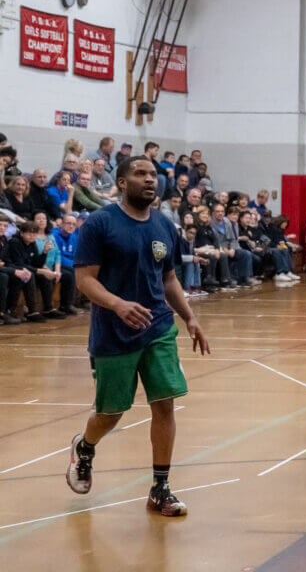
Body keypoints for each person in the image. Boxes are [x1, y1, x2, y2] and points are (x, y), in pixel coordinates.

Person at [64, 155, 211, 516]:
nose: (150, 180)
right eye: (140, 174)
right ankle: (85, 447)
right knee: (111, 413)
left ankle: (160, 488)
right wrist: (117, 305)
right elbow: (84, 279)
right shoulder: (100, 224)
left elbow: (169, 279)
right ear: (122, 182)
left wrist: (189, 317)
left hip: (159, 328)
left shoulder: (164, 225)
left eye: (153, 174)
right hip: (114, 333)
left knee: (164, 403)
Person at [4, 220, 55, 322]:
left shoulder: (32, 243)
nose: (32, 235)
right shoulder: (15, 242)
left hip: (23, 269)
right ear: (22, 233)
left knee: (44, 277)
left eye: (34, 233)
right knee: (30, 274)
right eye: (29, 232)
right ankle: (32, 311)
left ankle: (48, 308)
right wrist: (41, 271)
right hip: (13, 268)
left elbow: (36, 263)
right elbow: (20, 264)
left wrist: (44, 252)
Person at [212, 203, 253, 286]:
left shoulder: (227, 222)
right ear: (213, 213)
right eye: (218, 211)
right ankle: (228, 279)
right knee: (225, 255)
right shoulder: (211, 223)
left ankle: (243, 279)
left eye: (222, 211)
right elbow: (214, 240)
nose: (220, 213)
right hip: (216, 248)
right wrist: (225, 248)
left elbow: (231, 238)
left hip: (229, 247)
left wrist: (232, 248)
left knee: (246, 254)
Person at [50, 213, 81, 314]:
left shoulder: (74, 236)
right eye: (68, 223)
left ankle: (70, 304)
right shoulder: (54, 235)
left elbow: (76, 254)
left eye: (73, 224)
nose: (71, 226)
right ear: (61, 224)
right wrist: (75, 264)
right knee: (71, 272)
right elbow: (57, 255)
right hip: (54, 263)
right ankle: (67, 305)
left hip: (68, 264)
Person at [179, 224, 207, 296]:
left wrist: (199, 259)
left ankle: (197, 287)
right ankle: (188, 288)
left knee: (196, 263)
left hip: (187, 260)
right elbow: (180, 257)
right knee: (190, 263)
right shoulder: (181, 240)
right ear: (185, 231)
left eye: (194, 233)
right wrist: (193, 258)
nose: (192, 235)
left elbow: (193, 254)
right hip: (179, 261)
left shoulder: (192, 241)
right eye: (190, 232)